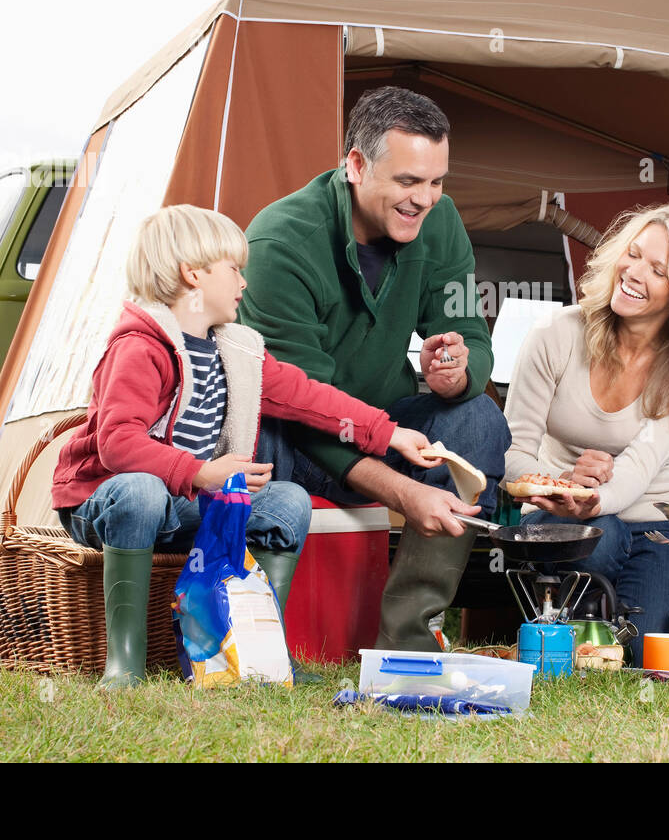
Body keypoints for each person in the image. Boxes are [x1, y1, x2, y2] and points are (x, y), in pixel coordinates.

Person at [51, 205, 437, 687]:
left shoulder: (235, 351)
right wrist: (199, 472)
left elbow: (307, 396)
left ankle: (262, 657)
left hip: (182, 502)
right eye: (233, 269)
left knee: (287, 502)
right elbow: (116, 443)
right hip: (108, 501)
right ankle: (124, 663)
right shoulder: (140, 347)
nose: (244, 283)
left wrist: (388, 433)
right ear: (192, 274)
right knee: (141, 491)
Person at [238, 86, 511, 651]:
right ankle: (258, 637)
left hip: (389, 431)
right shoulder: (279, 242)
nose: (425, 199)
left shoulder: (441, 220)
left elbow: (475, 336)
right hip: (294, 440)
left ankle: (406, 640)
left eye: (437, 182)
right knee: (261, 437)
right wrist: (404, 494)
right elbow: (300, 404)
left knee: (480, 418)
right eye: (408, 182)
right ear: (356, 165)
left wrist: (458, 372)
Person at [503, 205, 669, 663]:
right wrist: (566, 484)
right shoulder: (556, 333)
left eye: (658, 271)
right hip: (560, 518)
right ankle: (565, 630)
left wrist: (595, 498)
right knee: (602, 536)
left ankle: (586, 630)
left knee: (648, 657)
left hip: (655, 518)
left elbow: (640, 465)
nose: (633, 273)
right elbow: (513, 453)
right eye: (632, 255)